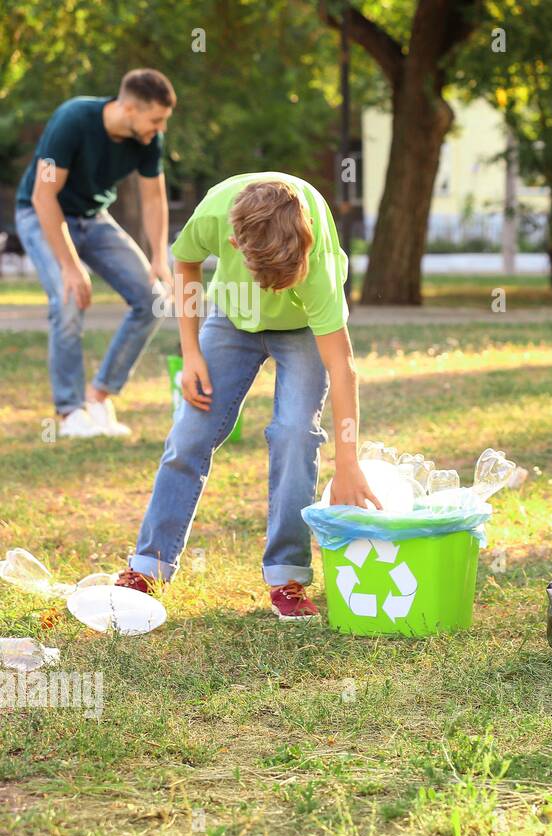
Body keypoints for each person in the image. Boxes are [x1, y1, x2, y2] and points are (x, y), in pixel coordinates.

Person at [115, 174, 379, 621]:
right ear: (235, 244)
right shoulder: (214, 214)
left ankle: (287, 575)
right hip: (232, 319)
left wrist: (348, 462)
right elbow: (185, 263)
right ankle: (149, 566)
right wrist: (192, 351)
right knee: (190, 433)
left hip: (301, 330)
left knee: (295, 433)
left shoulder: (319, 266)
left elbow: (342, 366)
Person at [14, 68, 176, 438]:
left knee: (153, 299)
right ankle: (70, 411)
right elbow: (44, 195)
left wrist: (157, 257)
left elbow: (153, 198)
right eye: (156, 119)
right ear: (129, 109)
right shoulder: (72, 120)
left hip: (92, 216)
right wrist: (70, 266)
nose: (160, 129)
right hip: (41, 213)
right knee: (69, 299)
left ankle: (98, 398)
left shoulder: (149, 140)